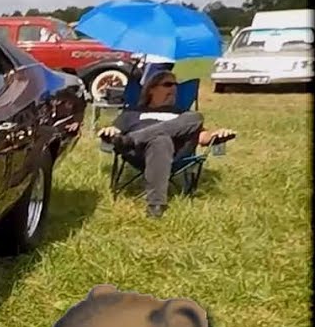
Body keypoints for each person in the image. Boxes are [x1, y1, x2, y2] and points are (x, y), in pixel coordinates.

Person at [98, 70, 235, 218]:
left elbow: (203, 138)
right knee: (161, 140)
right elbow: (115, 131)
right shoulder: (132, 113)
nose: (174, 88)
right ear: (151, 89)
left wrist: (217, 135)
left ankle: (136, 138)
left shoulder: (182, 115)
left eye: (176, 85)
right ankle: (156, 204)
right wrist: (110, 131)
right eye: (168, 84)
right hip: (138, 153)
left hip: (175, 153)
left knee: (193, 118)